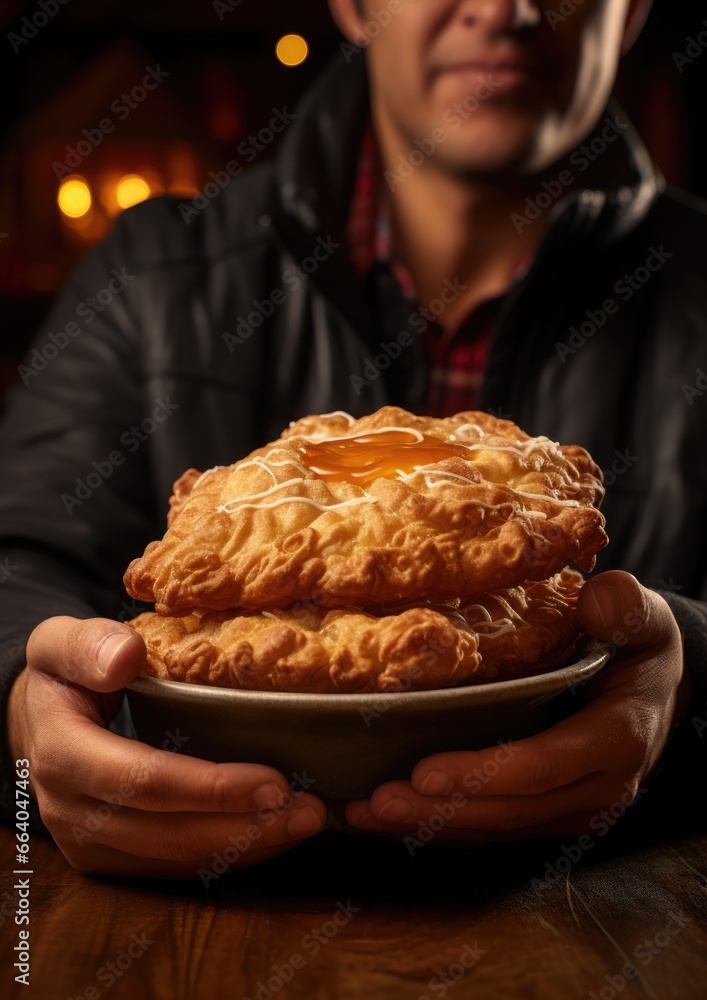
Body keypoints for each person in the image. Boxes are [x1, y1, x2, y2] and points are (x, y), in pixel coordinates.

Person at [1, 0, 705, 878]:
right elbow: (18, 562)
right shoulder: (149, 279)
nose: (505, 8)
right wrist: (24, 716)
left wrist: (686, 696)